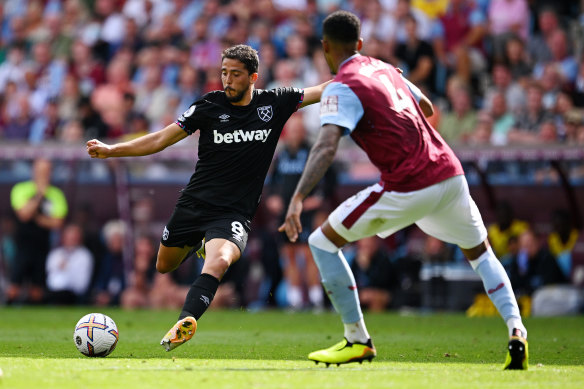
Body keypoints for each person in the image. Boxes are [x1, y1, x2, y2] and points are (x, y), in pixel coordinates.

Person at [280, 11, 528, 370]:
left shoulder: (341, 85)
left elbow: (325, 146)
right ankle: (517, 331)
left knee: (321, 242)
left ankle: (357, 339)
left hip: (409, 184)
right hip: (449, 172)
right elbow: (426, 106)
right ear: (360, 44)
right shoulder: (383, 67)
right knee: (482, 254)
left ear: (324, 48)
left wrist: (298, 197)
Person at [86, 44, 330, 351]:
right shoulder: (209, 106)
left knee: (220, 259)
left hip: (234, 212)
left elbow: (323, 89)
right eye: (224, 73)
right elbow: (162, 139)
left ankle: (186, 320)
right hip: (195, 203)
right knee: (164, 265)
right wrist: (112, 150)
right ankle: (199, 243)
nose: (227, 80)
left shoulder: (275, 103)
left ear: (253, 76)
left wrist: (377, 77)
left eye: (236, 74)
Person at [7, 158, 68, 304]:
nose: (44, 174)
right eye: (41, 171)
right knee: (15, 284)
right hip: (22, 244)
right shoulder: (21, 189)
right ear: (34, 171)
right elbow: (24, 214)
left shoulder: (56, 194)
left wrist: (36, 217)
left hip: (42, 244)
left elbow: (57, 223)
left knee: (38, 287)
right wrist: (39, 195)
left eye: (47, 171)